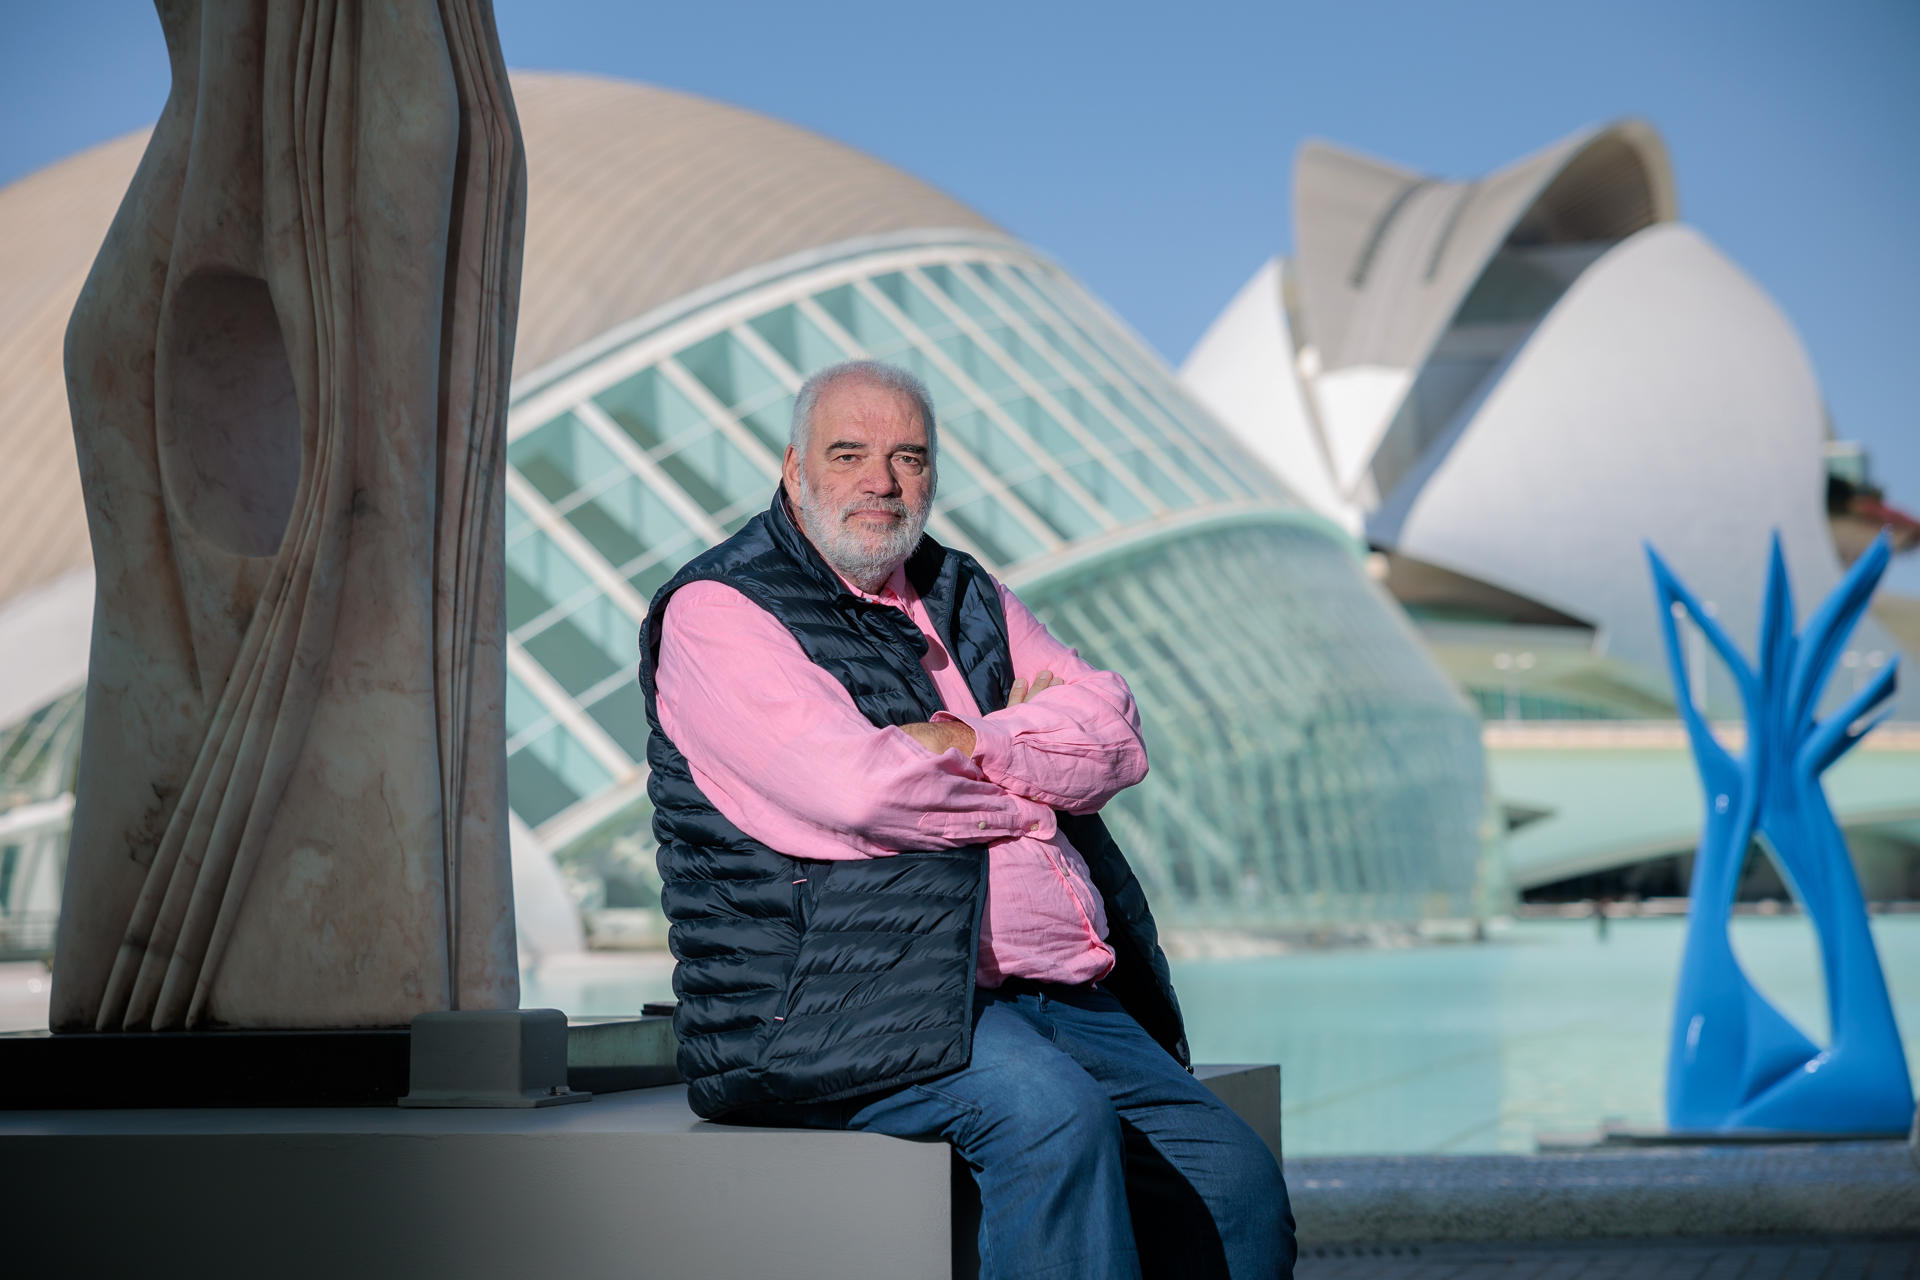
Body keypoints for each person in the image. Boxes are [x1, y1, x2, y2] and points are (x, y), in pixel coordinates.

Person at [638, 359, 1295, 1278]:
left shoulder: (963, 590)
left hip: (1048, 992)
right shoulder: (722, 611)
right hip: (836, 1003)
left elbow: (1112, 732)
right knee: (1052, 1119)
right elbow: (854, 791)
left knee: (1234, 1180)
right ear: (793, 470)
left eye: (908, 457)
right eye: (849, 453)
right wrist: (1035, 794)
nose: (881, 481)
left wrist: (961, 741)